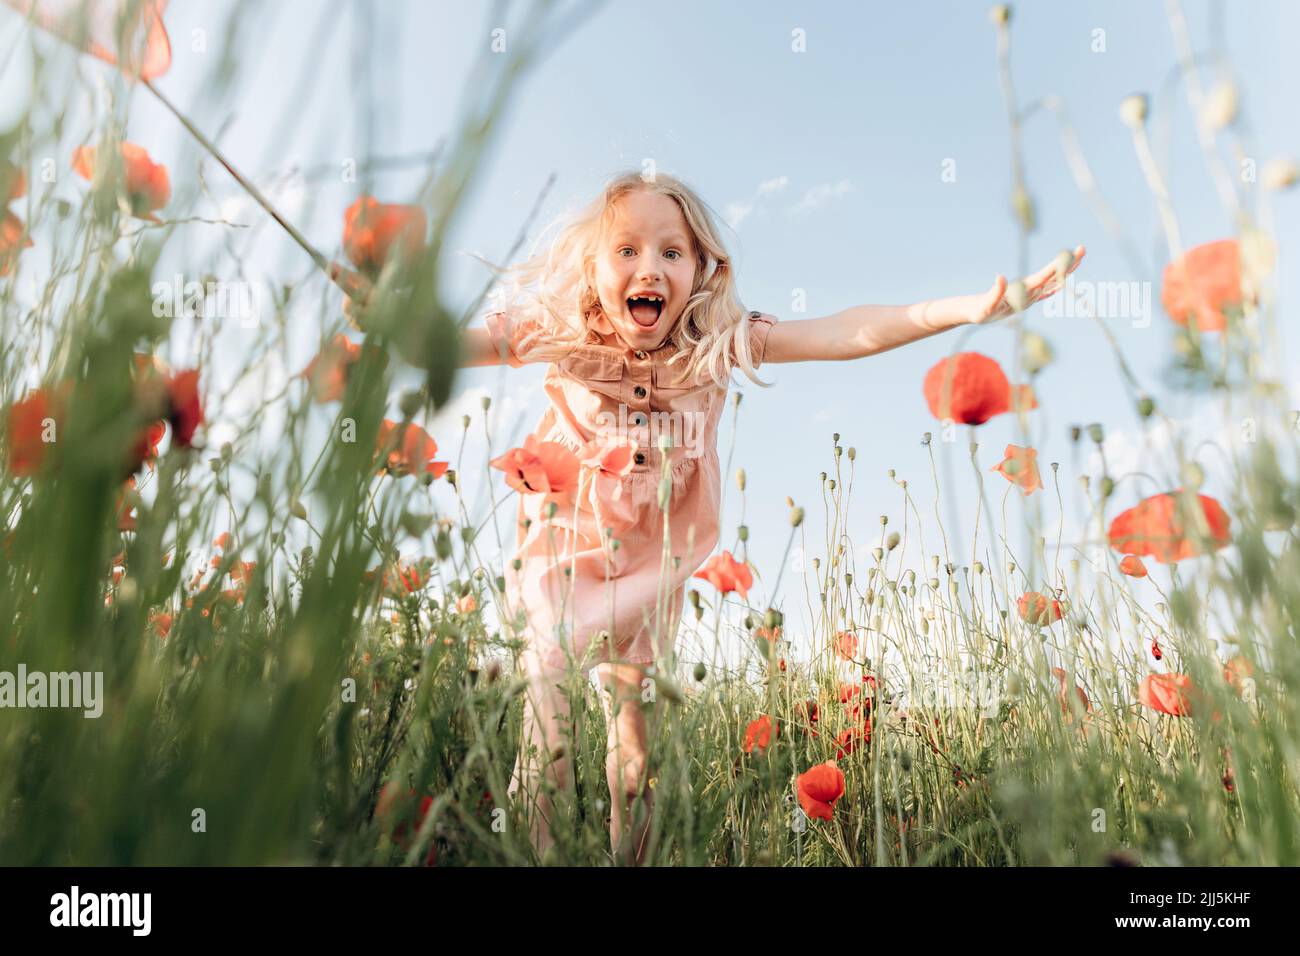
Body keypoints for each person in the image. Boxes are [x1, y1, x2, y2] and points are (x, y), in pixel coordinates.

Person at [345, 169, 1084, 864]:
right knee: (551, 708)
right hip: (564, 552)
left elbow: (845, 334)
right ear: (595, 270)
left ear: (702, 272)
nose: (650, 267)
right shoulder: (559, 338)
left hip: (653, 561)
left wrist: (970, 307)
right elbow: (439, 346)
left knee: (634, 759)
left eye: (672, 251)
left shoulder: (716, 349)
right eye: (627, 250)